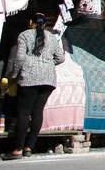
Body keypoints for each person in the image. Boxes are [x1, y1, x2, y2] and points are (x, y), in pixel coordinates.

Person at [4, 12, 65, 159]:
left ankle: (17, 149)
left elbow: (19, 57)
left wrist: (13, 74)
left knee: (24, 113)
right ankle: (29, 147)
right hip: (48, 78)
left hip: (29, 77)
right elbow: (61, 58)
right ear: (45, 24)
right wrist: (47, 64)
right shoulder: (51, 37)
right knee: (38, 112)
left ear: (31, 22)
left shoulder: (24, 35)